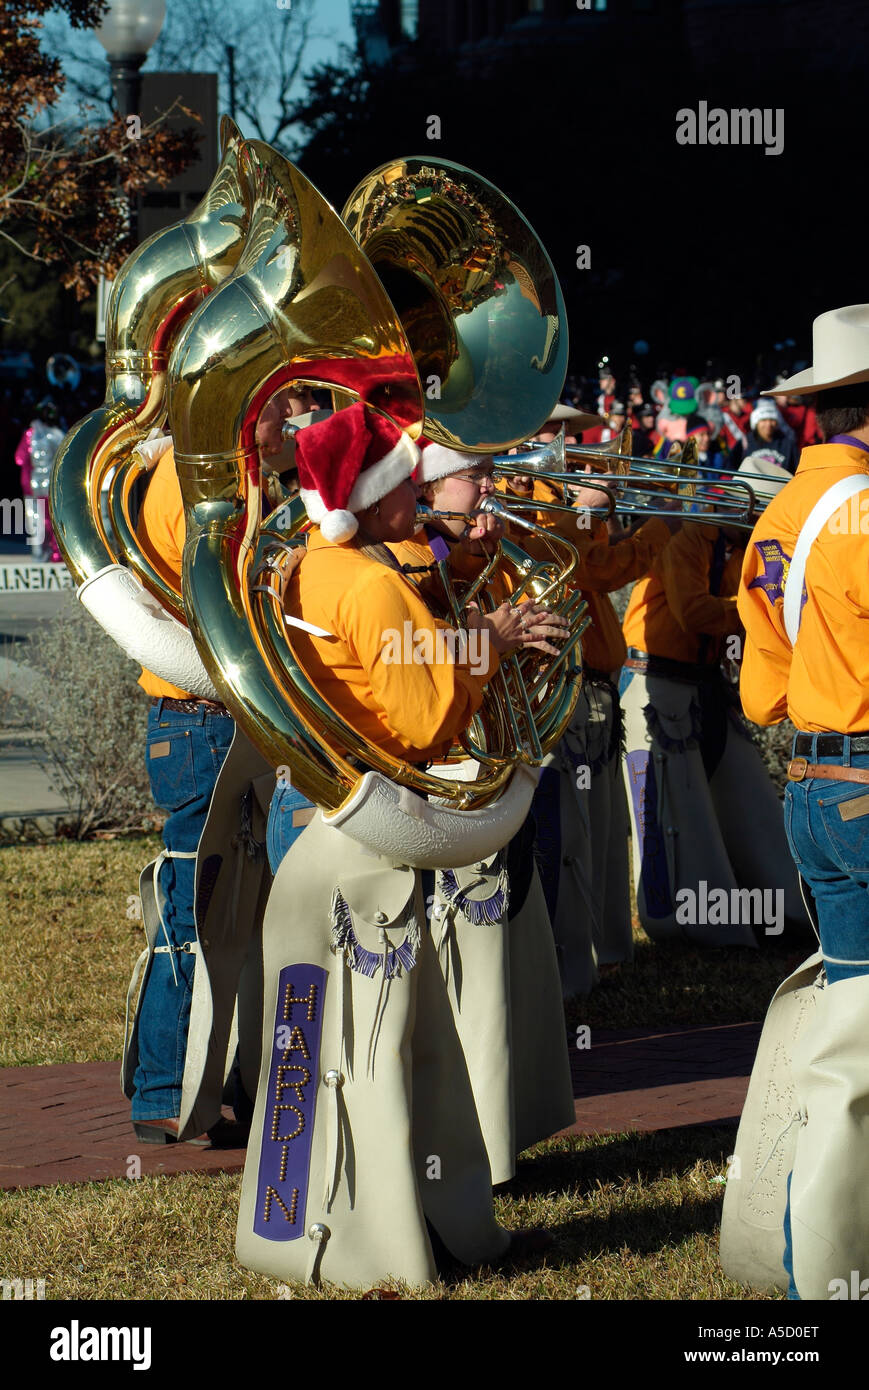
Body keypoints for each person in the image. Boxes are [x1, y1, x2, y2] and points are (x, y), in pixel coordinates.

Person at [241, 403, 557, 1288]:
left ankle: (368, 1226)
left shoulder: (315, 566)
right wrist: (488, 647)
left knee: (340, 1043)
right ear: (374, 497)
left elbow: (386, 670)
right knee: (381, 1048)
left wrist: (466, 642)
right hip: (375, 829)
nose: (417, 494)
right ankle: (399, 1246)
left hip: (327, 817)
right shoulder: (373, 582)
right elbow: (419, 719)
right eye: (403, 484)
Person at [128, 384, 316, 1143]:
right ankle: (166, 1096)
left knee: (246, 912)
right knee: (195, 914)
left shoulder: (227, 471)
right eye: (276, 405)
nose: (290, 420)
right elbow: (220, 596)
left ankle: (222, 1086)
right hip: (202, 715)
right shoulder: (200, 475)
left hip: (212, 718)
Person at [737, 303, 869, 1300]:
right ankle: (821, 1267)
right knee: (855, 1051)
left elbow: (762, 688)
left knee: (847, 1022)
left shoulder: (780, 513)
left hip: (811, 779)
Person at [620, 458, 807, 945]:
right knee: (680, 811)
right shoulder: (691, 539)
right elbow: (693, 613)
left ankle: (784, 911)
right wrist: (762, 612)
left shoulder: (737, 543)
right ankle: (697, 924)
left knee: (746, 798)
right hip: (658, 683)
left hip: (700, 682)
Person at [14, 398, 64, 560]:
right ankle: (57, 554)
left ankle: (40, 555)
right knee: (56, 519)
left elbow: (19, 458)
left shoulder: (30, 434)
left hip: (34, 485)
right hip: (53, 486)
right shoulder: (58, 435)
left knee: (36, 520)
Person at [743, 399, 799, 474]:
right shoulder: (745, 442)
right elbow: (731, 469)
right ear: (756, 422)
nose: (768, 424)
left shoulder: (787, 443)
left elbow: (797, 470)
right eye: (764, 420)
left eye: (772, 420)